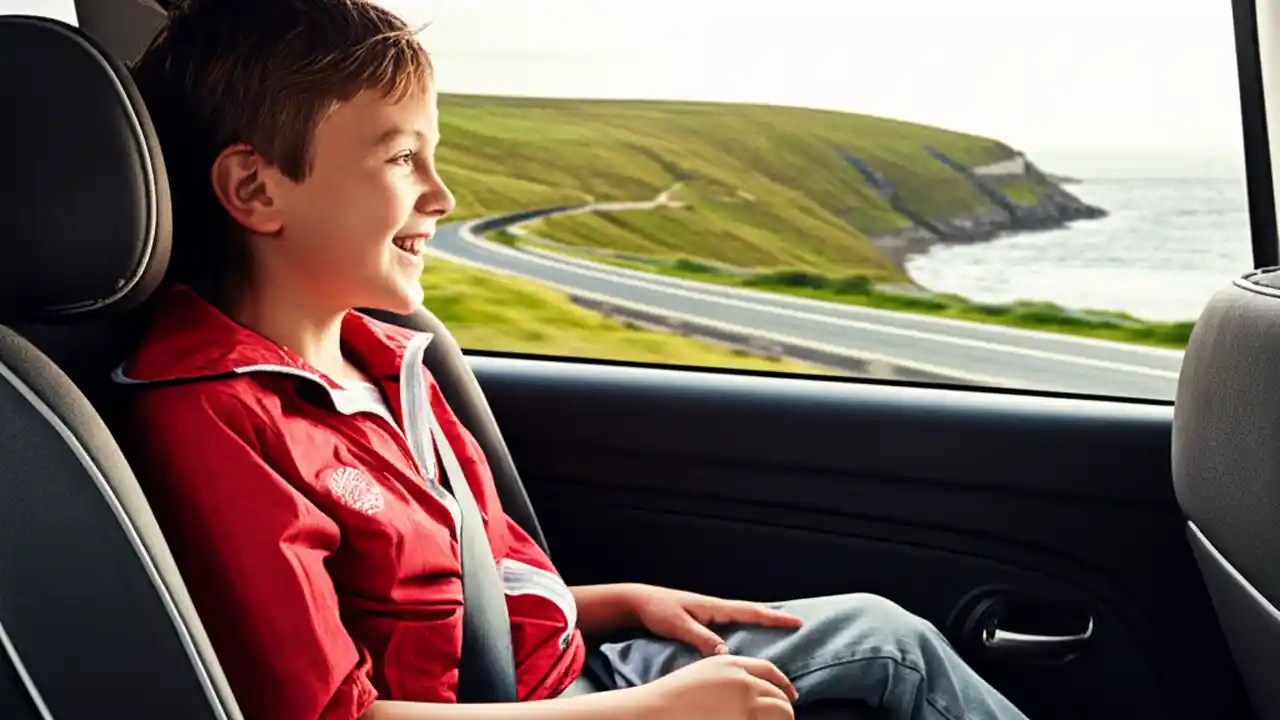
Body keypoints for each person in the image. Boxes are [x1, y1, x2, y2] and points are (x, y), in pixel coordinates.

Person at [117, 1, 1030, 719]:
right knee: (880, 654)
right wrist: (652, 712)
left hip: (559, 678)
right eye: (402, 157)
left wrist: (614, 601)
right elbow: (331, 713)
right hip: (544, 707)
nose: (443, 193)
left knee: (881, 631)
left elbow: (457, 604)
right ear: (254, 187)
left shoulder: (385, 359)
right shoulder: (213, 417)